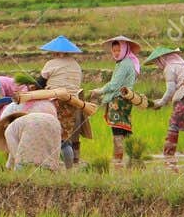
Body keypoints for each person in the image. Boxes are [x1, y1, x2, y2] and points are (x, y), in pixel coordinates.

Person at [146, 47, 184, 163]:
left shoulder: (169, 68)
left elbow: (170, 90)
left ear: (161, 59)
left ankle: (169, 158)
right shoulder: (182, 65)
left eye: (157, 62)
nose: (158, 66)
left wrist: (160, 102)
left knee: (174, 125)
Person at [91, 35, 142, 166]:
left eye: (119, 50)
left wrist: (100, 90)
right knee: (123, 131)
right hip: (125, 100)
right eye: (114, 51)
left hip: (119, 102)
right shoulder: (124, 62)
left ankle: (118, 161)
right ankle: (131, 159)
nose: (116, 53)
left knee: (118, 131)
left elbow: (114, 85)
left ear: (125, 49)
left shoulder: (124, 64)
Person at [38, 36, 86, 167]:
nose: (52, 54)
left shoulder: (51, 64)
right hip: (72, 103)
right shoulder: (76, 66)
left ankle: (49, 165)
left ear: (59, 52)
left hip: (54, 103)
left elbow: (40, 82)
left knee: (50, 134)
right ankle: (69, 169)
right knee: (65, 136)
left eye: (54, 52)